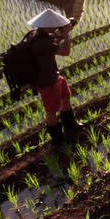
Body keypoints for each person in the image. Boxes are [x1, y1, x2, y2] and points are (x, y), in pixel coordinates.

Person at [26, 8, 82, 147]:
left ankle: (70, 125)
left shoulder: (36, 34)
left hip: (54, 76)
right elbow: (66, 51)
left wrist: (62, 34)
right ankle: (58, 140)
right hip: (46, 81)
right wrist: (67, 34)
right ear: (47, 26)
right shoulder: (42, 42)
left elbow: (53, 42)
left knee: (66, 97)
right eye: (54, 24)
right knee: (51, 111)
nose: (56, 26)